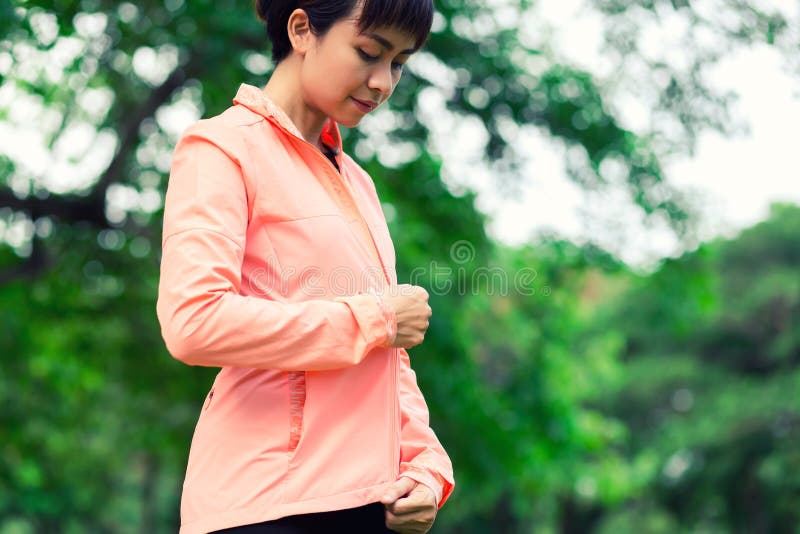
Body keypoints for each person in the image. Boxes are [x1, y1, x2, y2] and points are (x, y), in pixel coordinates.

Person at [155, 0, 455, 532]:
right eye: (369, 52)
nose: (383, 82)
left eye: (400, 63)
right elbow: (192, 322)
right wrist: (375, 319)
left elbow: (385, 357)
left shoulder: (358, 183)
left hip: (367, 504)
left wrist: (426, 467)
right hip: (263, 505)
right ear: (301, 30)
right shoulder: (220, 147)